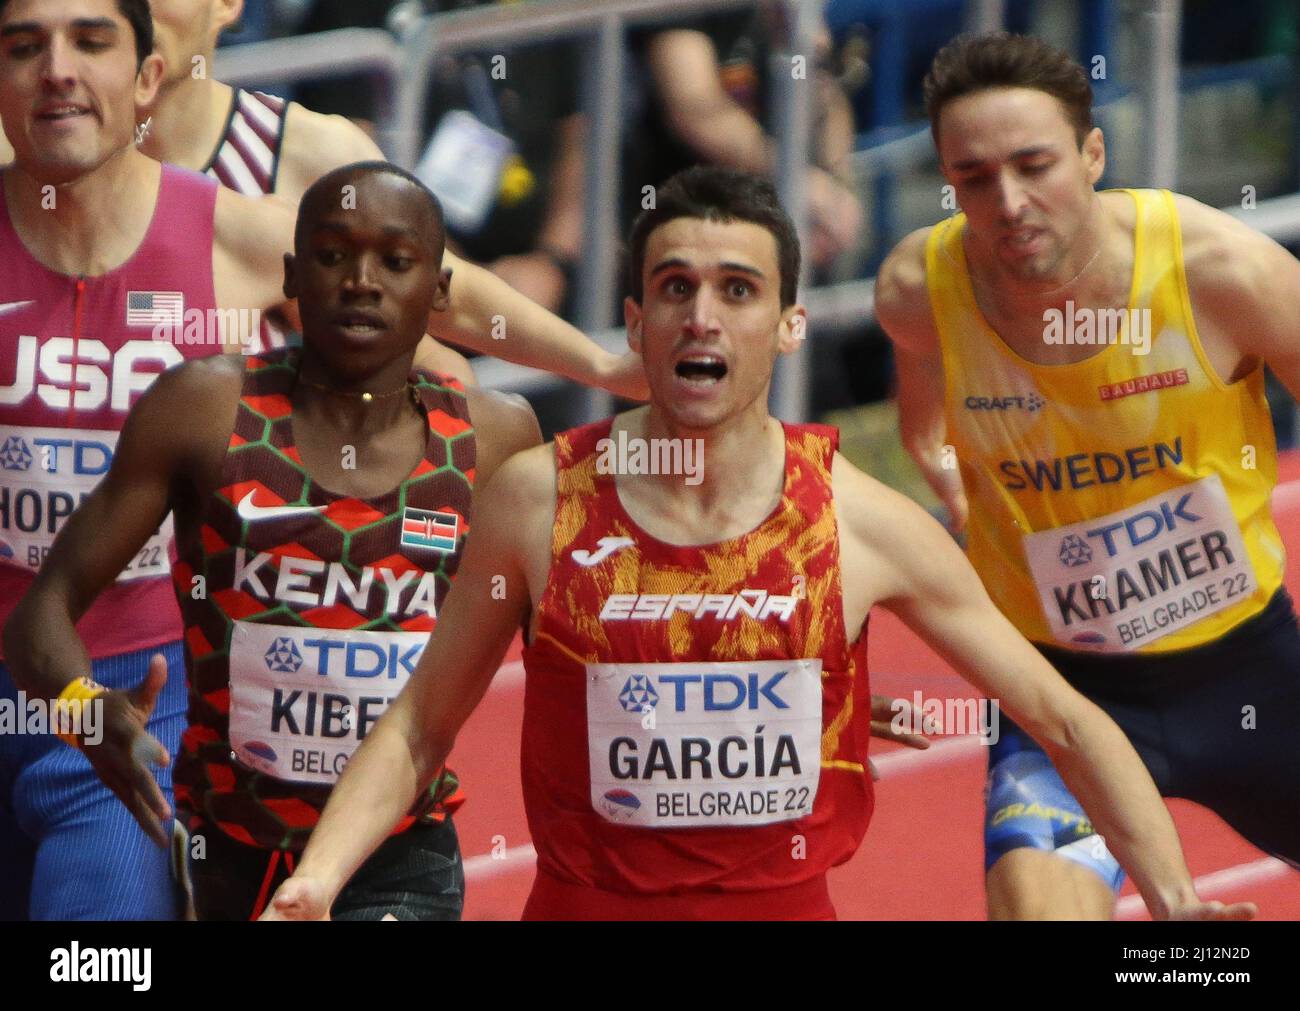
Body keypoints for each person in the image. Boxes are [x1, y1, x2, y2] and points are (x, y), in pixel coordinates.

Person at [263, 166, 1251, 921]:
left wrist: (1171, 897)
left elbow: (1063, 717)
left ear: (786, 327)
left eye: (738, 290)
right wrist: (316, 881)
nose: (703, 314)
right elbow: (419, 725)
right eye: (676, 286)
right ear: (636, 320)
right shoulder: (535, 501)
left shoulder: (859, 522)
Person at [0, 0, 634, 921]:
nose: (57, 68)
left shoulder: (247, 221)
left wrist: (602, 362)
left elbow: (447, 286)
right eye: (26, 48)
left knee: (98, 956)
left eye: (93, 42)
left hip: (138, 680)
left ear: (143, 76)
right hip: (53, 657)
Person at [5, 159, 540, 919]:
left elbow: (556, 653)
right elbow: (39, 615)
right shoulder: (204, 406)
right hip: (224, 849)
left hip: (399, 853)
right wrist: (90, 714)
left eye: (395, 261)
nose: (361, 280)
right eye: (331, 255)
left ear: (441, 290)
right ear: (290, 274)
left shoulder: (495, 436)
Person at [873, 32, 1300, 919]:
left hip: (1249, 674)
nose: (1010, 202)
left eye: (1035, 165)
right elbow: (922, 422)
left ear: (1093, 153)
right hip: (1061, 694)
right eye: (974, 178)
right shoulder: (920, 288)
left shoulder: (1222, 272)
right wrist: (953, 478)